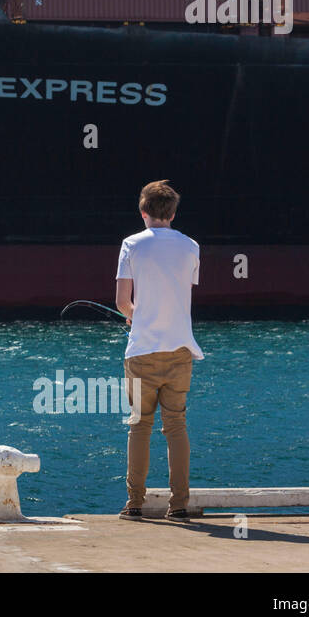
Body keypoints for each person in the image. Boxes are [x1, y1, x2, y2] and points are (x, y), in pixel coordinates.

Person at [115, 180, 204, 522]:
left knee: (140, 426)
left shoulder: (131, 245)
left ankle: (135, 503)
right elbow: (178, 292)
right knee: (176, 426)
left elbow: (124, 302)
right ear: (174, 212)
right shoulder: (191, 246)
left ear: (143, 212)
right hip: (181, 349)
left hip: (142, 351)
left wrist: (133, 316)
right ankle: (179, 505)